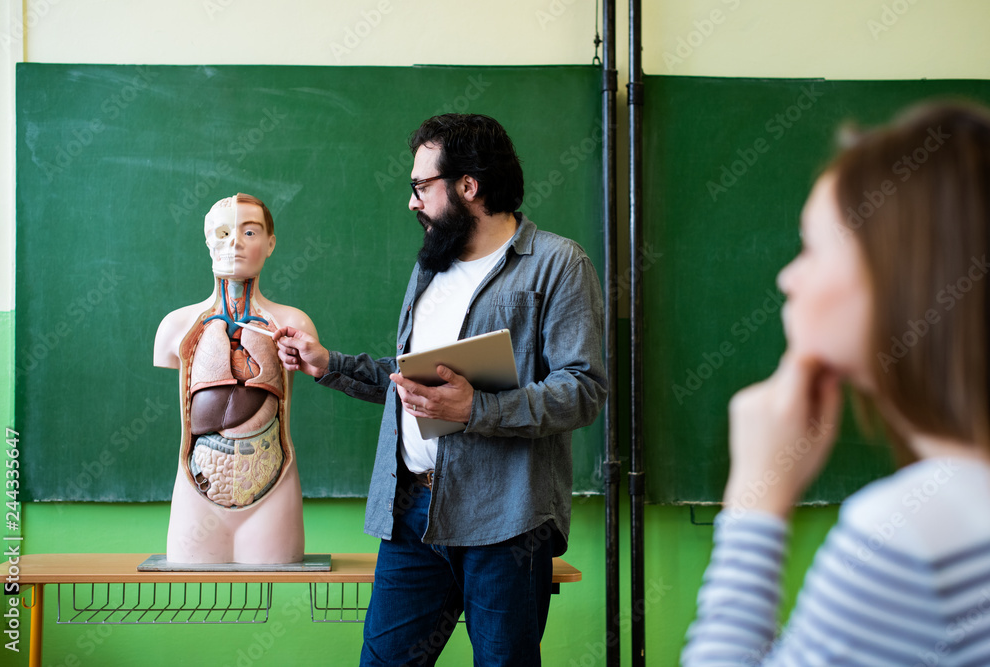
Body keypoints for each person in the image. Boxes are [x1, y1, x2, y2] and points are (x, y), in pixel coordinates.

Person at [273, 113, 608, 665]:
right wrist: (326, 363)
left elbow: (583, 389)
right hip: (412, 511)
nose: (412, 202)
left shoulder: (557, 263)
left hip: (508, 521)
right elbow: (415, 382)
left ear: (468, 187)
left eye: (421, 187)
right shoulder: (432, 266)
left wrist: (480, 407)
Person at [682, 101, 990, 665]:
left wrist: (757, 498)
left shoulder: (915, 538)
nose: (787, 276)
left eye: (812, 247)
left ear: (902, 278)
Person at [154, 193, 316, 564]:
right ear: (208, 240)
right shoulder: (175, 327)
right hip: (199, 482)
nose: (235, 244)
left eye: (249, 232)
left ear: (270, 243)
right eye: (223, 232)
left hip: (273, 484)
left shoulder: (294, 324)